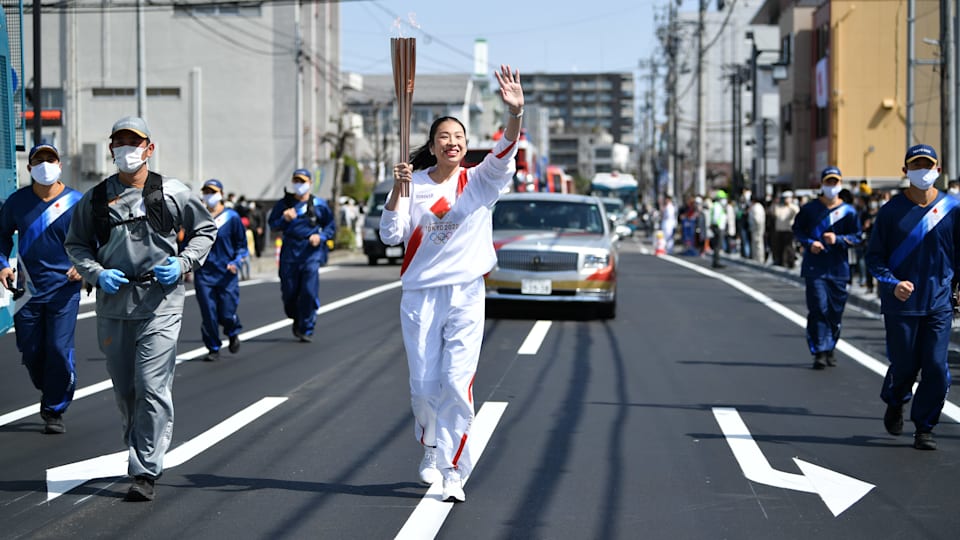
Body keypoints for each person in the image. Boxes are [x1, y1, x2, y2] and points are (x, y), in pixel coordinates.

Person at [380, 64, 524, 503]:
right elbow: (391, 235)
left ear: (465, 144)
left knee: (458, 383)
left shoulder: (479, 181)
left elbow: (504, 151)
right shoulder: (414, 185)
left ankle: (453, 471)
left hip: (466, 292)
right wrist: (397, 190)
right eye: (444, 136)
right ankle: (430, 443)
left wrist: (515, 114)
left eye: (458, 136)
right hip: (420, 294)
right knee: (424, 387)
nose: (452, 142)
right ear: (433, 146)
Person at [65, 116, 216, 500]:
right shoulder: (95, 198)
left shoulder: (173, 192)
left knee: (152, 385)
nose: (126, 149)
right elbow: (76, 244)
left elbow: (205, 230)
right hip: (114, 305)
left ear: (149, 149)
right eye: (120, 142)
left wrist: (182, 263)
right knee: (126, 389)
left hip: (160, 302)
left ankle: (145, 469)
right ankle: (139, 445)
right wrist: (97, 273)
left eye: (134, 142)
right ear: (111, 149)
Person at [866, 144, 960, 451]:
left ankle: (924, 427)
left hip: (939, 302)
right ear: (905, 171)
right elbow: (874, 258)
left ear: (938, 170)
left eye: (927, 165)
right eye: (916, 165)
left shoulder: (952, 209)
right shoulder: (891, 211)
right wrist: (892, 283)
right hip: (901, 304)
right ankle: (896, 401)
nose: (923, 171)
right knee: (904, 365)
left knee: (935, 366)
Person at [0, 144, 83, 434]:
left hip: (65, 289)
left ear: (59, 165)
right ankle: (52, 385)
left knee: (58, 349)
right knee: (31, 351)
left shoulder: (76, 202)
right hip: (27, 290)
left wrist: (83, 265)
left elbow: (95, 241)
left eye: (50, 159)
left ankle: (54, 408)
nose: (45, 164)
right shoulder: (17, 202)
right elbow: (1, 236)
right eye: (39, 160)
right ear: (29, 167)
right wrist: (3, 265)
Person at [792, 167, 862, 369]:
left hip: (839, 268)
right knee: (818, 308)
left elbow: (858, 237)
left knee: (834, 311)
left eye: (835, 182)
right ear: (822, 184)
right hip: (815, 267)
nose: (832, 186)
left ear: (840, 184)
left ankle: (830, 346)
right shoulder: (810, 209)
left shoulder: (849, 212)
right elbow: (797, 230)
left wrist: (838, 239)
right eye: (828, 182)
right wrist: (809, 243)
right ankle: (819, 351)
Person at [267, 168, 336, 342]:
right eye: (296, 181)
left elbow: (330, 226)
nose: (299, 185)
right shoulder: (285, 204)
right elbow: (272, 225)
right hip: (290, 252)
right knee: (289, 293)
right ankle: (296, 317)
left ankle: (307, 327)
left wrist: (320, 237)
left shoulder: (319, 204)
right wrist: (284, 219)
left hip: (310, 252)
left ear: (310, 183)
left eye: (303, 181)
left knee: (309, 291)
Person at [194, 179, 247, 362]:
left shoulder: (232, 217)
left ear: (221, 194)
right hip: (204, 273)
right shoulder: (198, 217)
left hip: (226, 273)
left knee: (226, 313)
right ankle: (213, 347)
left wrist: (236, 262)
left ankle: (232, 330)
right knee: (208, 313)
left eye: (213, 192)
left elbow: (242, 246)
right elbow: (188, 244)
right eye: (206, 192)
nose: (209, 195)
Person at [708, 190, 727, 268]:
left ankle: (716, 261)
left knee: (717, 245)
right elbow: (715, 217)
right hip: (718, 227)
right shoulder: (717, 206)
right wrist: (717, 225)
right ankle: (716, 262)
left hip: (717, 227)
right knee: (717, 245)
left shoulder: (717, 205)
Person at [748, 195, 766, 263]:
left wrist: (757, 228)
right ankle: (758, 258)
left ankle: (759, 259)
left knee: (758, 244)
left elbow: (757, 219)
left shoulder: (756, 207)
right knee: (757, 244)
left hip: (757, 229)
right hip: (757, 228)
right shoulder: (758, 206)